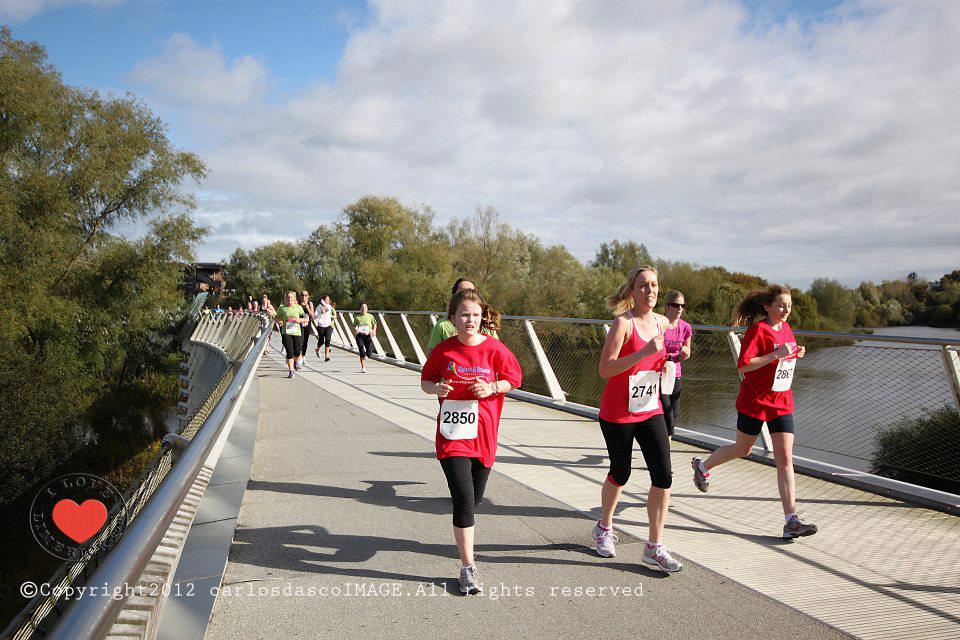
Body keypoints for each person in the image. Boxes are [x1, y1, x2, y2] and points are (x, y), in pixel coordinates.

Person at [691, 285, 817, 539]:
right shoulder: (758, 330)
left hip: (781, 400)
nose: (786, 310)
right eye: (781, 305)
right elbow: (744, 365)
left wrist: (795, 353)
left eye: (789, 306)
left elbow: (783, 357)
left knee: (785, 459)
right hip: (755, 400)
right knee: (743, 449)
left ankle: (791, 520)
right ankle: (702, 465)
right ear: (767, 307)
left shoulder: (786, 329)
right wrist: (774, 354)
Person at [420, 289, 522, 595]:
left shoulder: (495, 349)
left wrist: (491, 386)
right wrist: (435, 388)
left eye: (475, 315)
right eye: (464, 314)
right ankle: (468, 568)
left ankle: (466, 548)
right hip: (452, 437)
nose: (470, 320)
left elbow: (514, 379)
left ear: (482, 317)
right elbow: (425, 381)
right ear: (453, 318)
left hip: (484, 435)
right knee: (464, 501)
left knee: (475, 498)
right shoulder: (444, 351)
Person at [592, 266, 682, 573]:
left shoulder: (663, 322)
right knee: (621, 471)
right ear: (632, 291)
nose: (650, 290)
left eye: (654, 285)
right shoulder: (623, 323)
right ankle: (604, 527)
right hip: (618, 412)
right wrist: (643, 352)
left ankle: (654, 546)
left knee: (664, 475)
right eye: (643, 286)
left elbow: (655, 359)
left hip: (650, 406)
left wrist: (667, 363)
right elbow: (605, 369)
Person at [660, 290, 692, 439]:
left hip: (675, 375)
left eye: (682, 305)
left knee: (674, 412)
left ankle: (665, 445)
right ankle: (664, 446)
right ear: (667, 306)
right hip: (658, 374)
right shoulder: (658, 323)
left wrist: (685, 352)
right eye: (676, 305)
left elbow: (687, 352)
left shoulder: (685, 327)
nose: (680, 308)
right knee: (666, 413)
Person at [270, 291, 308, 378]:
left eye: (291, 297)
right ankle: (291, 371)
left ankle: (295, 362)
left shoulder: (298, 308)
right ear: (286, 298)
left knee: (297, 353)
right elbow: (276, 317)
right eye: (288, 297)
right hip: (286, 332)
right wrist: (278, 321)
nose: (290, 299)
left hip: (297, 332)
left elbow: (305, 318)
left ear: (294, 298)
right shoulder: (282, 308)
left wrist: (300, 320)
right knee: (290, 352)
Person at [353, 303, 377, 373]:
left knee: (369, 353)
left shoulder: (370, 316)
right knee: (361, 351)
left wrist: (374, 331)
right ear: (360, 309)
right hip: (360, 336)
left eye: (365, 307)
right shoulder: (357, 317)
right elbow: (354, 325)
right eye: (362, 308)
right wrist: (356, 329)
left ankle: (367, 355)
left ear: (367, 309)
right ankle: (363, 367)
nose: (364, 309)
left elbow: (375, 324)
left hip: (368, 335)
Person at [296, 290, 316, 370]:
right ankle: (299, 358)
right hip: (299, 325)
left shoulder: (310, 304)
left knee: (305, 341)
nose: (303, 297)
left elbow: (312, 316)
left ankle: (303, 356)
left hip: (307, 325)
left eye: (305, 295)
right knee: (299, 340)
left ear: (308, 296)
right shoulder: (297, 303)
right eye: (302, 295)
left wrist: (308, 309)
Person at [314, 295, 335, 361]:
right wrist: (320, 312)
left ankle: (327, 356)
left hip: (328, 325)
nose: (327, 301)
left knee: (328, 340)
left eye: (328, 300)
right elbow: (315, 317)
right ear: (322, 300)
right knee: (321, 340)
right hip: (320, 325)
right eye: (326, 299)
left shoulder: (329, 306)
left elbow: (328, 309)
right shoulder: (318, 307)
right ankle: (317, 349)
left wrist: (324, 304)